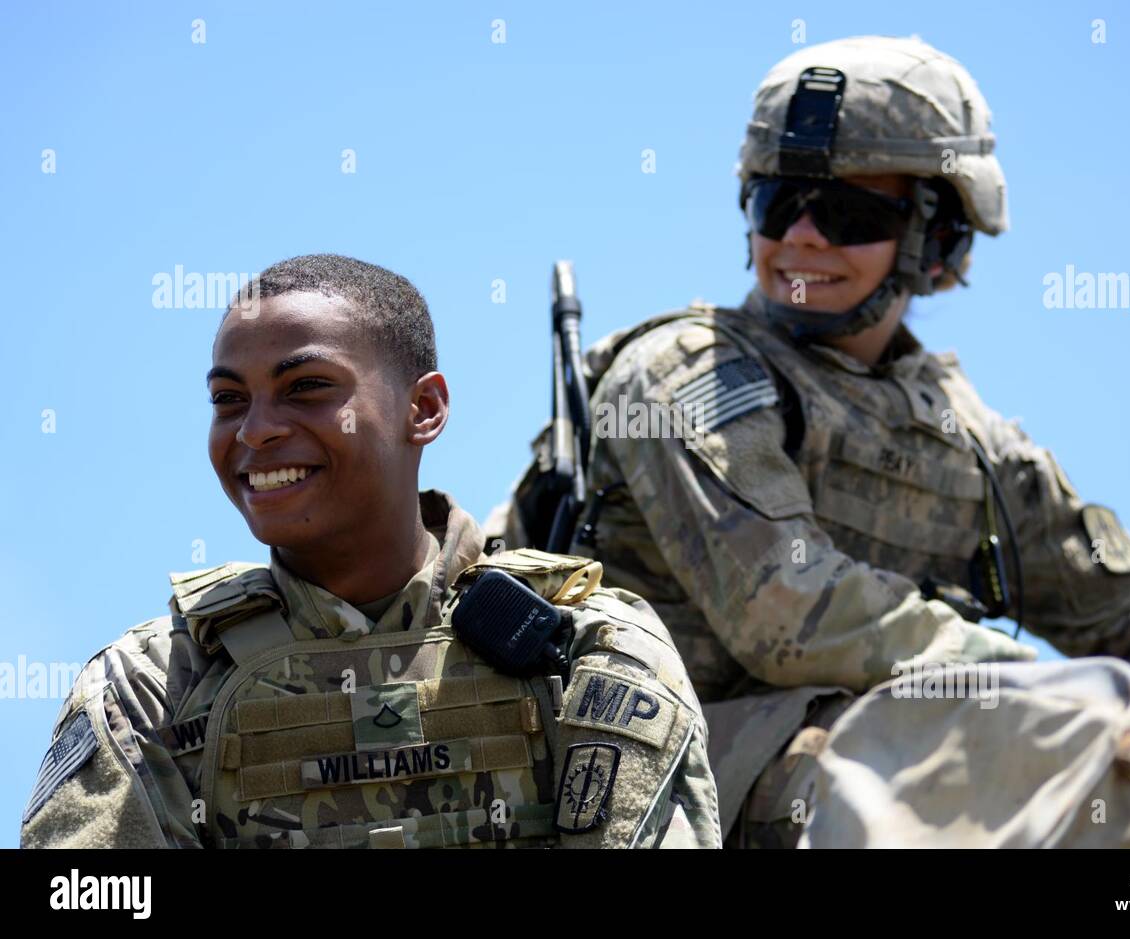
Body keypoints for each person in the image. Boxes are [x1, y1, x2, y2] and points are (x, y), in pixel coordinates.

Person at [489, 36, 1130, 847]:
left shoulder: (968, 443)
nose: (800, 238)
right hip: (650, 771)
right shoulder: (687, 372)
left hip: (833, 757)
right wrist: (1036, 691)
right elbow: (785, 609)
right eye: (776, 202)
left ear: (936, 241)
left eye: (849, 214)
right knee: (1027, 759)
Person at [21, 254, 720, 849]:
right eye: (230, 399)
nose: (256, 430)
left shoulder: (587, 646)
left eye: (306, 388)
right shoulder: (151, 684)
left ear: (425, 409)